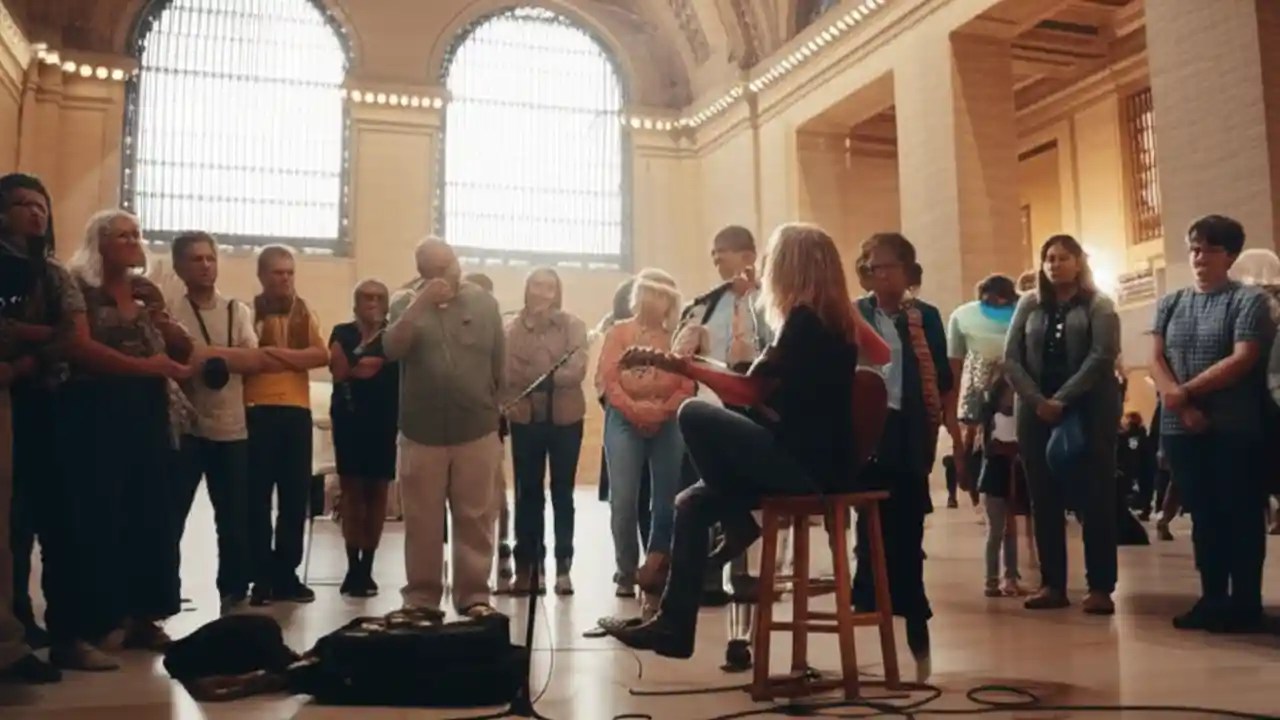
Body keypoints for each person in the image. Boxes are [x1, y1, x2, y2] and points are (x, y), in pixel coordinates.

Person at [605, 222, 889, 659]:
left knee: (693, 412)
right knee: (692, 503)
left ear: (789, 267)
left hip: (802, 466)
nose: (766, 270)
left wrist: (686, 368)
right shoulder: (833, 321)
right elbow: (879, 355)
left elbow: (748, 391)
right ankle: (674, 628)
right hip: (819, 463)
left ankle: (737, 520)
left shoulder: (804, 321)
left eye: (774, 260)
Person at [60, 209, 194, 667]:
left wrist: (171, 336)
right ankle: (102, 617)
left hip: (147, 413)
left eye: (136, 234)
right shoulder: (77, 285)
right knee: (102, 513)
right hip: (96, 410)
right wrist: (147, 368)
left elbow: (176, 349)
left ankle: (145, 614)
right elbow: (77, 347)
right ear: (99, 242)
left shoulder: (145, 291)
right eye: (122, 235)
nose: (134, 241)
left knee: (151, 512)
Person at [1156, 215, 1274, 633]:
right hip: (1181, 427)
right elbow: (1155, 356)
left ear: (1230, 255)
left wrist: (1185, 393)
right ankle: (1212, 598)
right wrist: (1177, 401)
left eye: (1207, 249)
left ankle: (1245, 603)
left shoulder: (1249, 301)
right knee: (1204, 517)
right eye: (1192, 248)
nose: (1197, 257)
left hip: (1233, 426)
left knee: (1240, 514)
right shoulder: (1171, 302)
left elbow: (1243, 359)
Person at [384, 238, 504, 620]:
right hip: (422, 432)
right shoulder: (405, 304)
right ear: (421, 274)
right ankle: (421, 597)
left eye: (448, 266)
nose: (444, 276)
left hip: (476, 427)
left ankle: (473, 596)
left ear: (457, 262)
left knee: (475, 516)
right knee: (423, 519)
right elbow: (391, 349)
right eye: (432, 271)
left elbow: (498, 360)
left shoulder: (484, 303)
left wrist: (495, 407)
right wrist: (420, 304)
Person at [853, 232, 953, 681]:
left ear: (906, 271)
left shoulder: (925, 317)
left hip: (909, 432)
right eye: (873, 267)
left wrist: (954, 432)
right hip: (868, 433)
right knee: (868, 534)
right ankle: (872, 635)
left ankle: (916, 628)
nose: (880, 274)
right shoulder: (855, 314)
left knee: (908, 537)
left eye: (887, 266)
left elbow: (940, 378)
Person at [1004, 234, 1121, 615]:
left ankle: (1101, 587)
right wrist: (1038, 401)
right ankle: (1052, 584)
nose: (1054, 265)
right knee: (1043, 497)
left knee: (1096, 497)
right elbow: (1011, 358)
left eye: (1062, 257)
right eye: (1048, 258)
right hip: (1035, 410)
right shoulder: (1029, 304)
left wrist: (1063, 399)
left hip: (1088, 408)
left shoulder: (1099, 305)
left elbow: (1102, 356)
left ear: (1078, 262)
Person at [671, 225, 773, 605]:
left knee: (744, 490)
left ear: (748, 256)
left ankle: (745, 574)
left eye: (723, 251)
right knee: (703, 490)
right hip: (707, 406)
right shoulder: (705, 303)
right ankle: (707, 576)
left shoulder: (768, 300)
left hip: (751, 405)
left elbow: (773, 346)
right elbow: (683, 351)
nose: (716, 259)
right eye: (713, 253)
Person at [168, 231, 262, 614]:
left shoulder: (235, 310)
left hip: (232, 429)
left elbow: (253, 360)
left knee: (234, 519)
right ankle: (163, 594)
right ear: (179, 266)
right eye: (196, 259)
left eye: (210, 258)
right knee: (172, 516)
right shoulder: (170, 314)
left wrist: (202, 355)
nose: (206, 266)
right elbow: (174, 364)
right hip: (185, 430)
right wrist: (224, 357)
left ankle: (234, 592)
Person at [0, 173, 66, 683]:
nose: (34, 213)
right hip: (10, 401)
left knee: (35, 514)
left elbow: (67, 334)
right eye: (23, 205)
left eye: (40, 205)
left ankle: (26, 611)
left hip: (40, 400)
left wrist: (29, 345)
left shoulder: (49, 272)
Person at [597, 268, 694, 608]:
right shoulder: (619, 333)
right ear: (638, 294)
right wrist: (636, 410)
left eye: (664, 295)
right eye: (650, 292)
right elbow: (609, 380)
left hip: (668, 419)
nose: (656, 300)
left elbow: (687, 380)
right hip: (624, 418)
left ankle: (655, 570)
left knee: (666, 497)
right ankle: (625, 571)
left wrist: (664, 409)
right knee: (623, 498)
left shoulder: (676, 337)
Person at [243, 245, 329, 606]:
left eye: (290, 272)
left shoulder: (304, 311)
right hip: (256, 410)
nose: (285, 278)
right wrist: (293, 360)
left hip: (296, 411)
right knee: (257, 499)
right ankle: (260, 576)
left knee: (295, 497)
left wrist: (275, 356)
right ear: (262, 275)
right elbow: (248, 358)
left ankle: (286, 574)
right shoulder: (246, 312)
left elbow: (321, 355)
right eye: (278, 272)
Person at [503, 268, 588, 596]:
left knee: (563, 493)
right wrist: (551, 369)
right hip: (525, 418)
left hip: (566, 418)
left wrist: (540, 374)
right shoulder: (511, 328)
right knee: (527, 493)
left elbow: (576, 370)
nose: (543, 292)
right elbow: (510, 371)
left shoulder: (573, 325)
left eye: (550, 287)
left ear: (558, 292)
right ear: (527, 289)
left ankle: (563, 566)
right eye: (537, 285)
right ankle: (528, 565)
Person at [329, 280, 399, 598]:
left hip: (384, 420)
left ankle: (368, 567)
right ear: (355, 303)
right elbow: (342, 371)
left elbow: (372, 369)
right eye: (366, 297)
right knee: (353, 492)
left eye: (378, 298)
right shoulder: (341, 332)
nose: (372, 302)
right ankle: (352, 566)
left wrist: (368, 360)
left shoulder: (395, 336)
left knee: (378, 494)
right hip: (349, 418)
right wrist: (368, 352)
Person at [946, 274, 1019, 509]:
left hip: (1018, 391)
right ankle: (982, 490)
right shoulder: (963, 316)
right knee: (978, 442)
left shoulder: (1024, 311)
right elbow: (954, 363)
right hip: (980, 395)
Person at [464, 271, 514, 588]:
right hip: (457, 423)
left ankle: (504, 548)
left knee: (496, 492)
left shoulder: (499, 332)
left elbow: (504, 378)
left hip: (489, 422)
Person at [977, 374, 1024, 597]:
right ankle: (991, 580)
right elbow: (992, 447)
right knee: (996, 532)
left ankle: (1011, 577)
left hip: (1011, 480)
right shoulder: (993, 419)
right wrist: (1011, 449)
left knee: (1011, 533)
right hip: (994, 481)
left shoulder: (1018, 419)